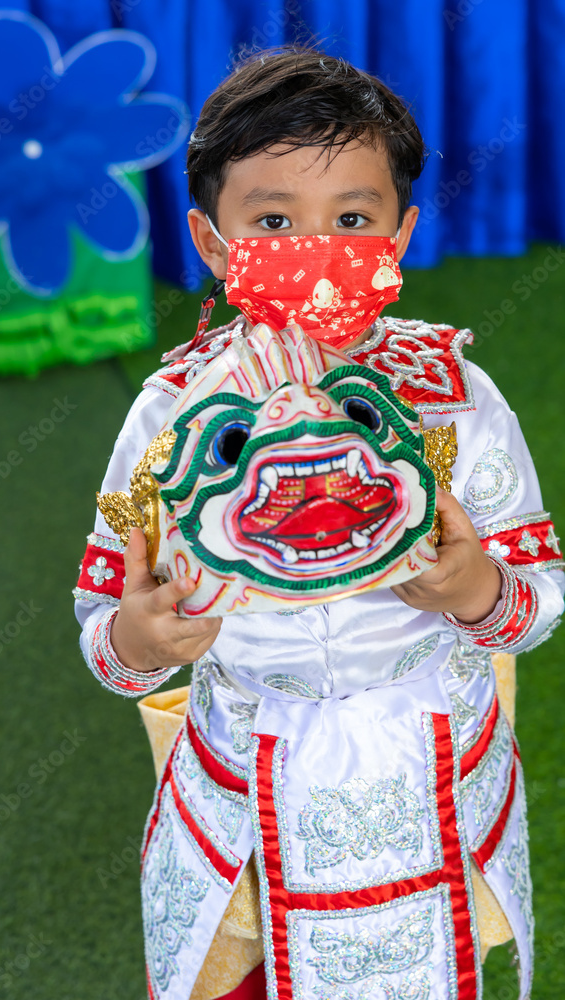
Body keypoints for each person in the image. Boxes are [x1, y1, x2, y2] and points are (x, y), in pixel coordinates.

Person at [74, 47, 564, 1000]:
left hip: (434, 783)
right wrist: (143, 633)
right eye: (271, 220)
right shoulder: (174, 413)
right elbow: (104, 627)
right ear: (212, 243)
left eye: (351, 218)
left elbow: (539, 599)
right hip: (246, 804)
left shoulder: (454, 399)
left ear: (399, 233)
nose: (315, 246)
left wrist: (477, 591)